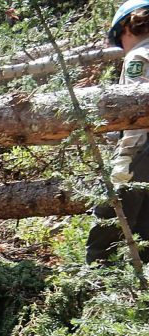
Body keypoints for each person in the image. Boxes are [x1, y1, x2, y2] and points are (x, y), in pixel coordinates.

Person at [86, 0, 149, 264]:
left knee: (111, 216)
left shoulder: (139, 56)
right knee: (146, 226)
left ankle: (94, 284)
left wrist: (125, 156)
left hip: (144, 148)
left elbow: (138, 112)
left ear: (126, 28)